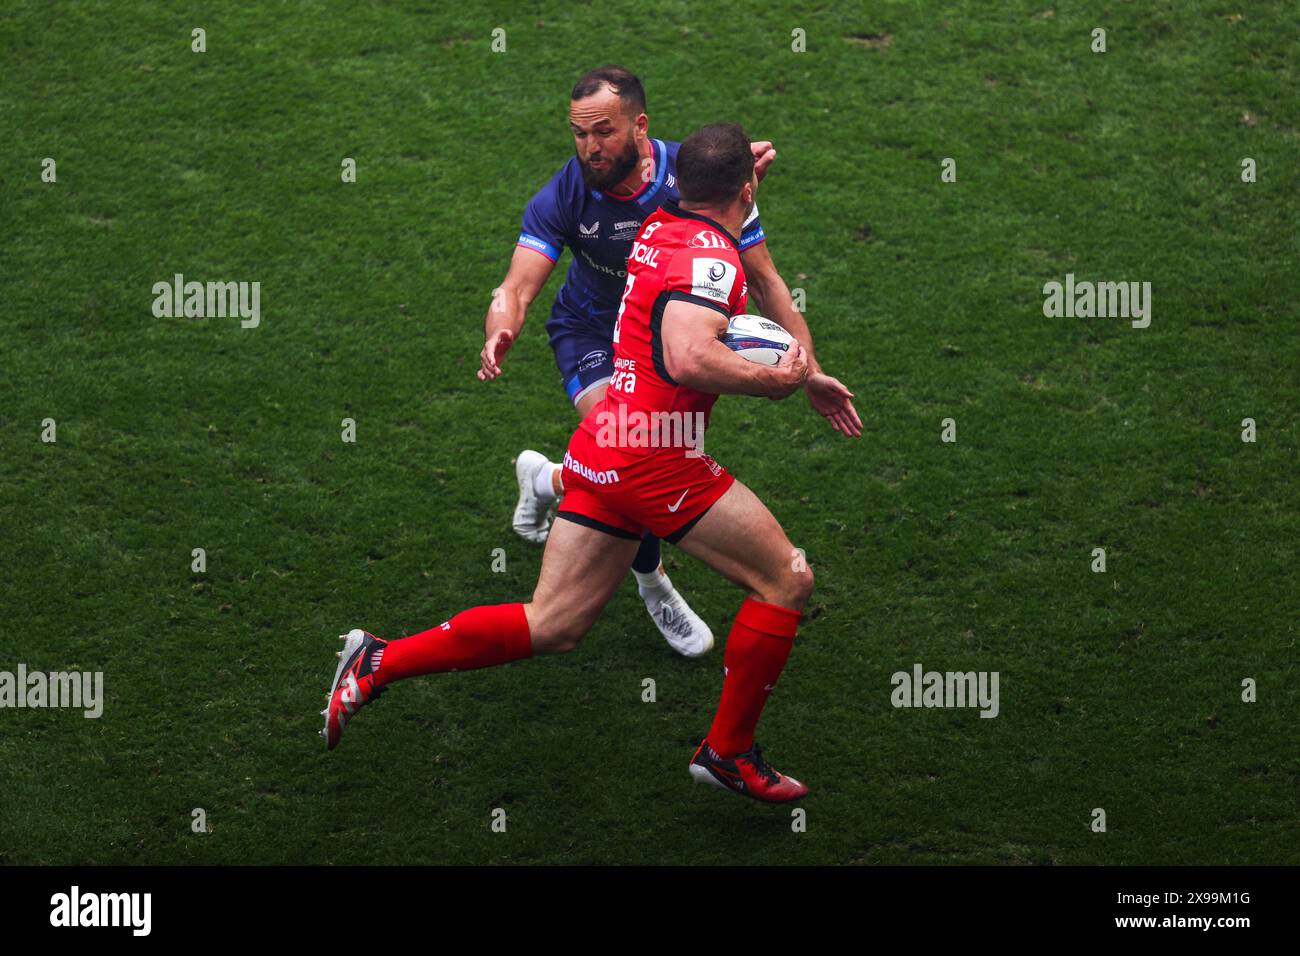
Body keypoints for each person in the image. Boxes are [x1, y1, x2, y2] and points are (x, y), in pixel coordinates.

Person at [324, 123, 836, 803]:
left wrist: (740, 185)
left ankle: (378, 660)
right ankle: (727, 751)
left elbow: (706, 208)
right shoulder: (711, 257)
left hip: (606, 447)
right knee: (786, 580)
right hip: (656, 456)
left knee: (555, 623)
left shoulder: (659, 224)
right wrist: (773, 380)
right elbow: (687, 356)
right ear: (743, 189)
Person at [478, 65, 860, 658]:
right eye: (578, 134)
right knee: (636, 445)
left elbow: (766, 282)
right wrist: (502, 327)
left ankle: (547, 478)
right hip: (592, 335)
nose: (589, 148)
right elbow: (517, 287)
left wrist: (808, 369)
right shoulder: (565, 195)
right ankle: (654, 583)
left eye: (602, 132)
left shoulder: (698, 178)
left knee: (634, 458)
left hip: (664, 342)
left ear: (640, 125)